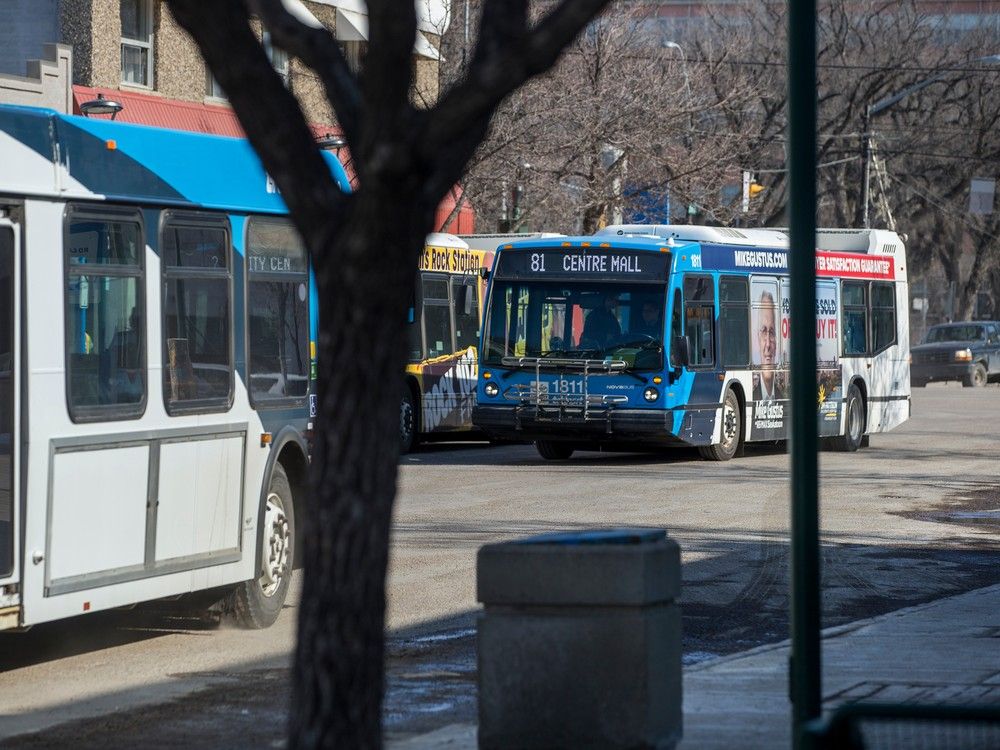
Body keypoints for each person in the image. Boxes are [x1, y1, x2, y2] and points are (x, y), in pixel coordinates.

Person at [752, 290, 784, 401]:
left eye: (772, 332)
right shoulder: (751, 395)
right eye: (763, 331)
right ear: (756, 338)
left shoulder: (784, 398)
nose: (768, 344)